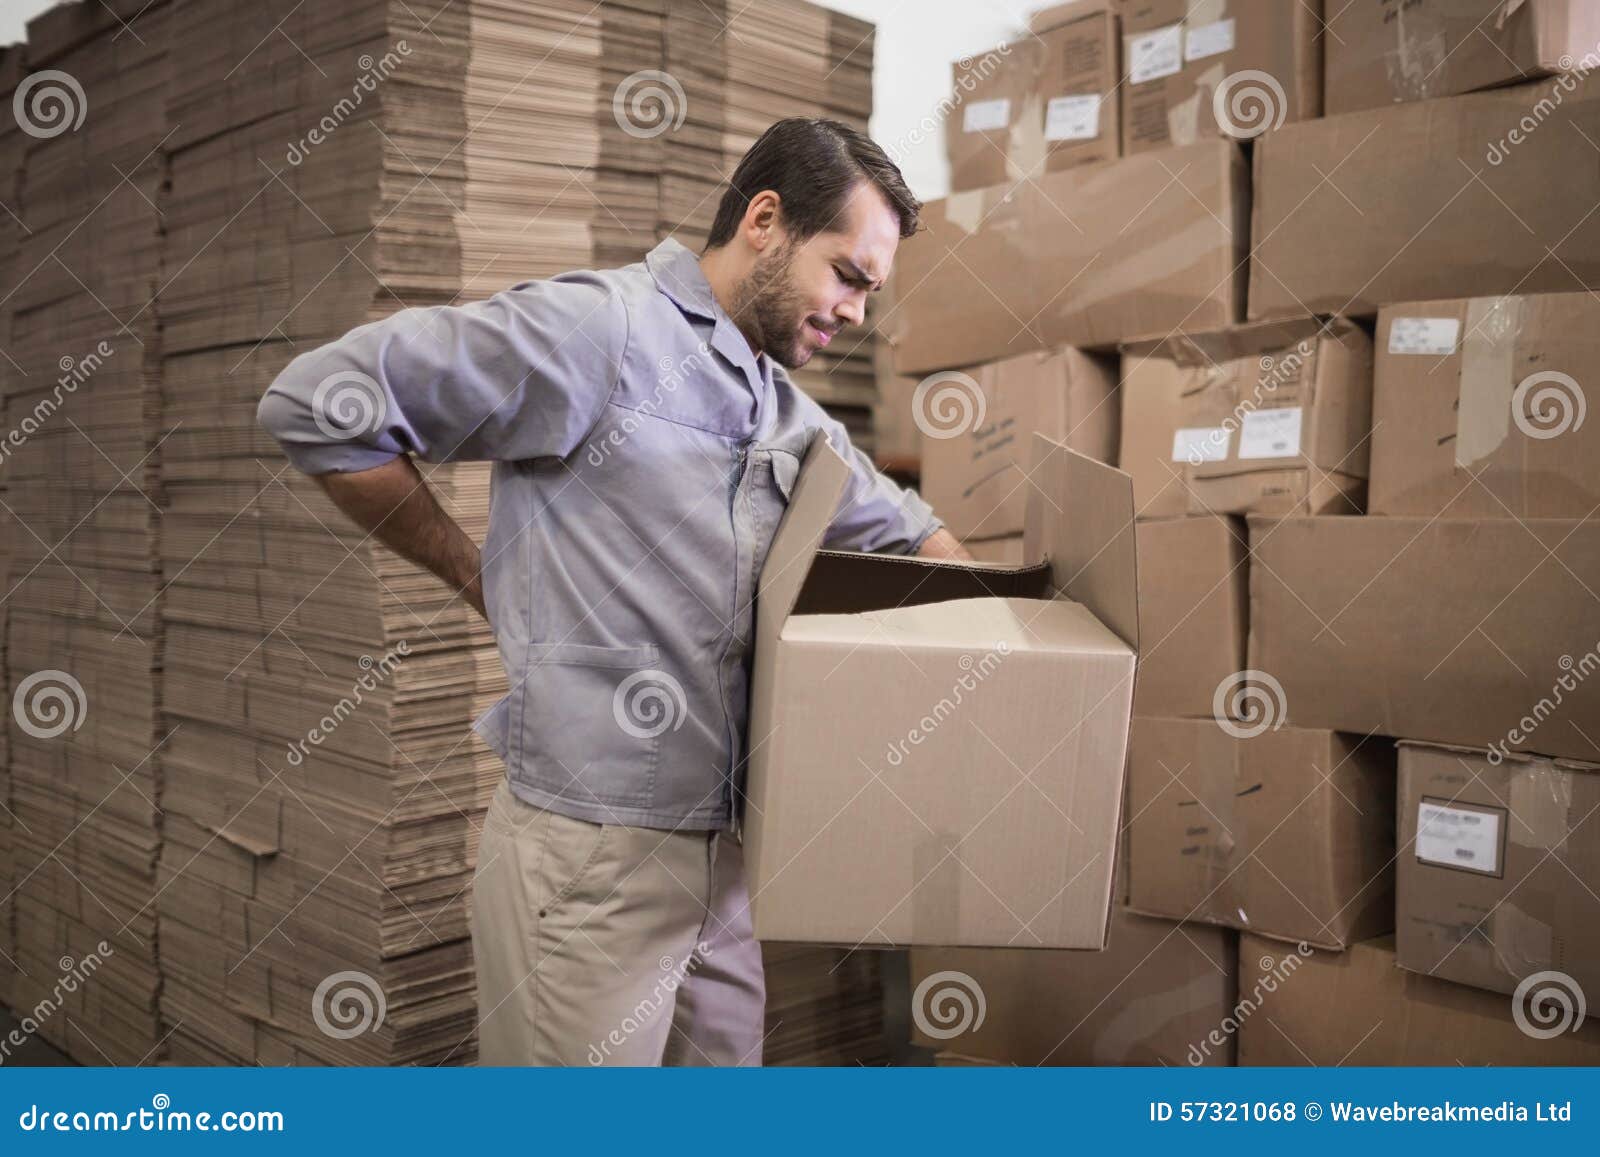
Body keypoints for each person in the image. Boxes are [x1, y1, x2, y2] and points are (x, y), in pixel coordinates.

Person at [257, 116, 964, 1066]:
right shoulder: (600, 331)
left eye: (870, 291)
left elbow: (905, 525)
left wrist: (1022, 632)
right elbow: (318, 402)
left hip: (721, 864)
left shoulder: (776, 403)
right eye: (847, 274)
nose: (857, 312)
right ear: (765, 221)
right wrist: (480, 576)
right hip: (591, 858)